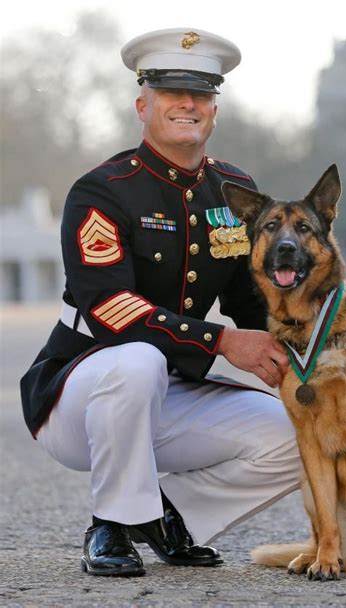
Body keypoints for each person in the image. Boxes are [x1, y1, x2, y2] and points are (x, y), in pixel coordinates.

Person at [20, 27, 301, 577]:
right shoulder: (102, 190)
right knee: (138, 360)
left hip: (170, 392)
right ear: (143, 104)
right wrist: (222, 342)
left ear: (215, 110)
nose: (188, 105)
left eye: (201, 94)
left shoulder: (233, 189)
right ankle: (112, 524)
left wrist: (308, 350)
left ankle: (172, 518)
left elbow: (254, 300)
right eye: (173, 92)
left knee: (297, 432)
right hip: (82, 394)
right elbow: (110, 309)